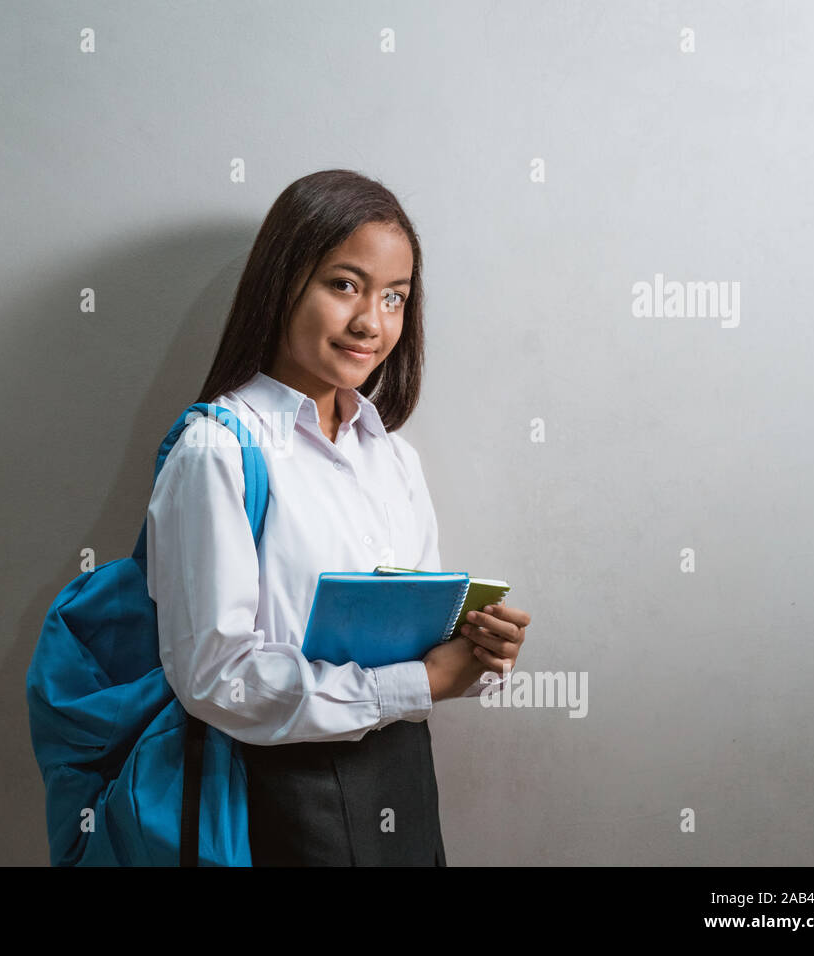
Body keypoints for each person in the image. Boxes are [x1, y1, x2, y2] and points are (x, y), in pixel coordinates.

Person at [145, 169, 532, 866]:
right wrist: (422, 681)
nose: (371, 322)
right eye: (344, 284)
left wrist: (471, 646)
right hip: (285, 796)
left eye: (395, 298)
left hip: (404, 775)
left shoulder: (392, 457)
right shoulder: (219, 450)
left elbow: (407, 631)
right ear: (282, 282)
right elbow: (214, 678)